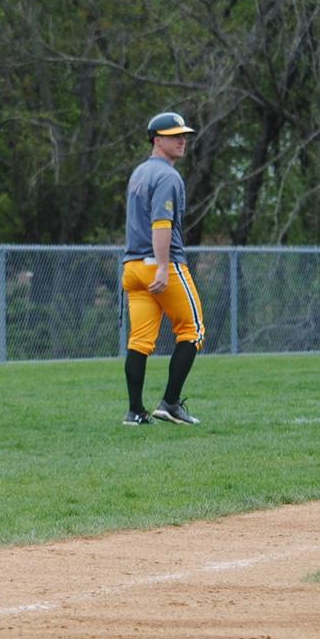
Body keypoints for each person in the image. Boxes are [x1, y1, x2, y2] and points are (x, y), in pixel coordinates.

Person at [120, 111, 205, 426]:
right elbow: (161, 224)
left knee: (140, 341)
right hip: (161, 265)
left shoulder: (140, 173)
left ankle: (135, 412)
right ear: (157, 140)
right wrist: (161, 267)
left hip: (132, 267)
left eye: (183, 134)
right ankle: (169, 403)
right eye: (174, 135)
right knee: (193, 331)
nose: (182, 140)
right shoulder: (168, 176)